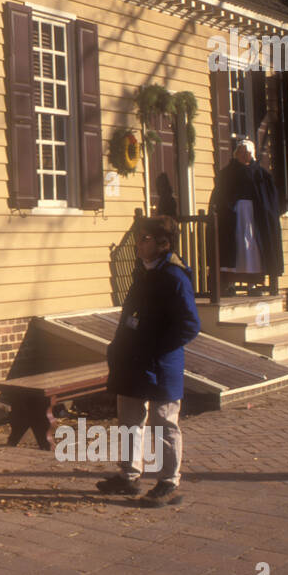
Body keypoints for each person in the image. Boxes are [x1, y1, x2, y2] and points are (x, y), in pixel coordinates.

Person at [97, 215, 200, 507]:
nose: (138, 245)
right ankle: (128, 476)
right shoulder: (142, 272)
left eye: (144, 239)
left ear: (162, 243)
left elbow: (189, 325)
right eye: (138, 239)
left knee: (164, 422)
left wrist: (157, 349)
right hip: (133, 360)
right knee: (129, 419)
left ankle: (169, 481)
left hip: (160, 363)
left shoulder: (174, 277)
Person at [210, 139, 283, 294]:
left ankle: (253, 285)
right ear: (236, 154)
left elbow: (268, 198)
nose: (244, 155)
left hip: (254, 218)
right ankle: (230, 285)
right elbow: (220, 196)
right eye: (241, 152)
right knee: (234, 248)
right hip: (233, 218)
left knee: (252, 248)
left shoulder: (261, 174)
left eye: (247, 152)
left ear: (252, 154)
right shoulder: (227, 173)